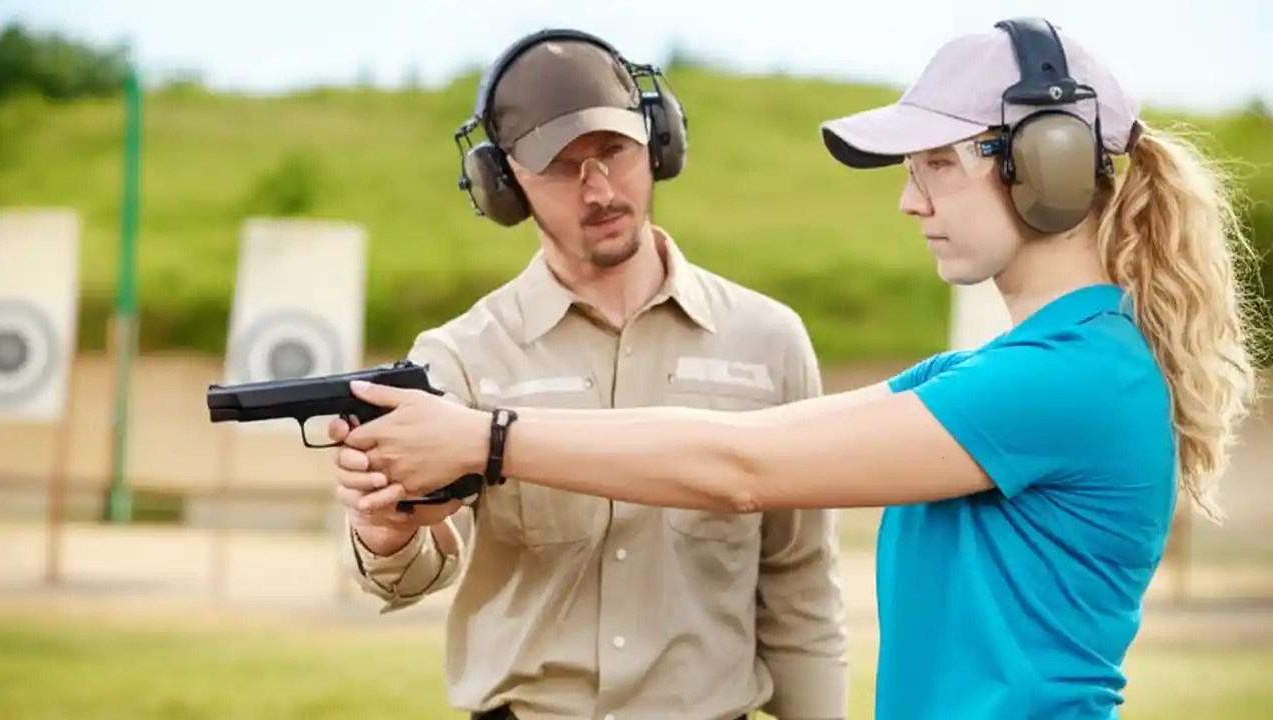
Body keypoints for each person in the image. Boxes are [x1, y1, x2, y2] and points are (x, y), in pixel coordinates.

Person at [337, 17, 1267, 720]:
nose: (910, 199)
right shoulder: (983, 370)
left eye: (939, 163)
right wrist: (480, 438)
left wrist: (488, 439)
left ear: (1047, 162)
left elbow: (745, 475)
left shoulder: (1069, 379)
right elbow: (744, 441)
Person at [332, 28, 849, 720]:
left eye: (614, 152)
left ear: (659, 143)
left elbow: (800, 585)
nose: (599, 189)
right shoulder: (460, 353)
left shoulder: (769, 341)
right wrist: (387, 532)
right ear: (503, 184)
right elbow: (417, 571)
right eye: (560, 166)